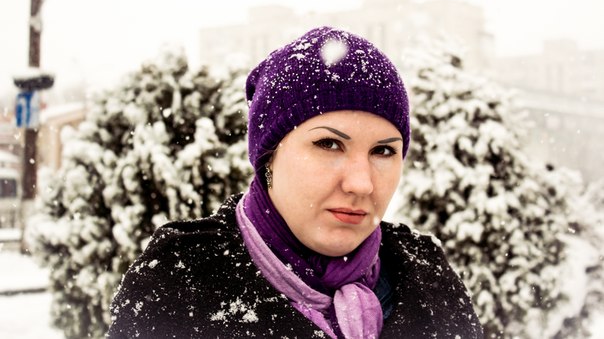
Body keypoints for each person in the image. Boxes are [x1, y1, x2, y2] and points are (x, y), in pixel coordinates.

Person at [107, 27, 483, 338]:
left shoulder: (428, 278)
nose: (361, 184)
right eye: (328, 144)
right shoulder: (179, 284)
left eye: (383, 151)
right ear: (268, 157)